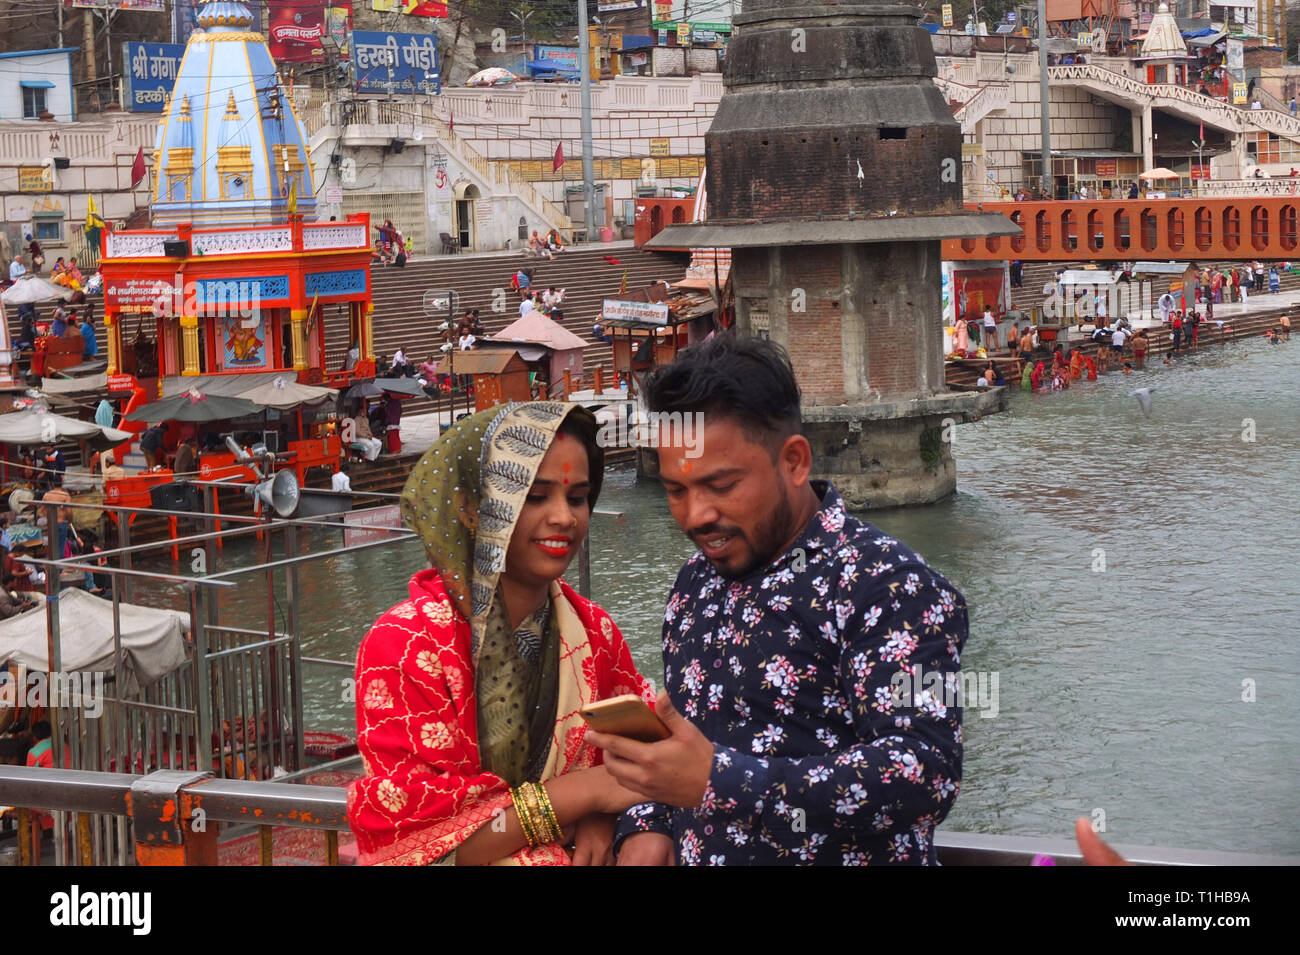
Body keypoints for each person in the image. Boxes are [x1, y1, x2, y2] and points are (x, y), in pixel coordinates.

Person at [591, 336, 968, 866]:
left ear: (793, 461)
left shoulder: (888, 585)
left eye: (721, 485)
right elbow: (682, 746)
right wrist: (647, 823)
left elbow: (924, 773)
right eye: (676, 490)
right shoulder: (695, 583)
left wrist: (719, 781)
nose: (696, 516)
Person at [347, 403, 656, 865]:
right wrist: (585, 793)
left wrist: (615, 817)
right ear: (471, 508)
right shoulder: (404, 644)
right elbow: (424, 844)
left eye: (577, 498)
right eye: (535, 496)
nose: (564, 518)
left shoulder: (597, 632)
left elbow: (651, 770)